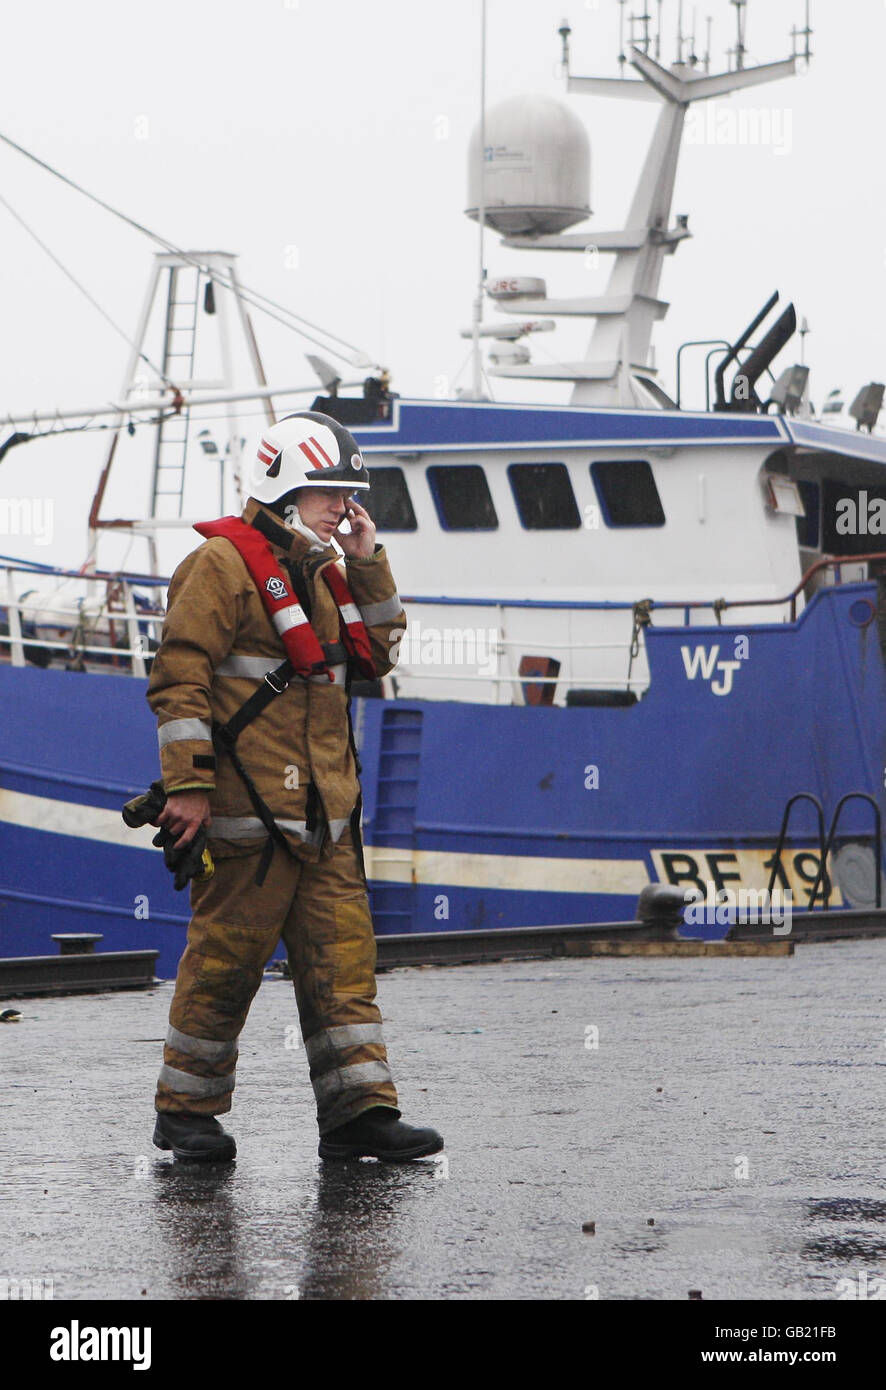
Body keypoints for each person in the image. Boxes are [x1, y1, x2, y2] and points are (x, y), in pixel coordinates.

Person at [146, 410, 443, 1163]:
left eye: (348, 495)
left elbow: (375, 653)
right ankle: (187, 1113)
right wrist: (186, 786)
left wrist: (366, 558)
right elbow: (179, 677)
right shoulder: (218, 567)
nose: (343, 508)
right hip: (250, 814)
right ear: (284, 490)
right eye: (329, 495)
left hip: (327, 817)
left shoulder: (326, 574)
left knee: (344, 966)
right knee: (224, 964)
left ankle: (359, 1114)